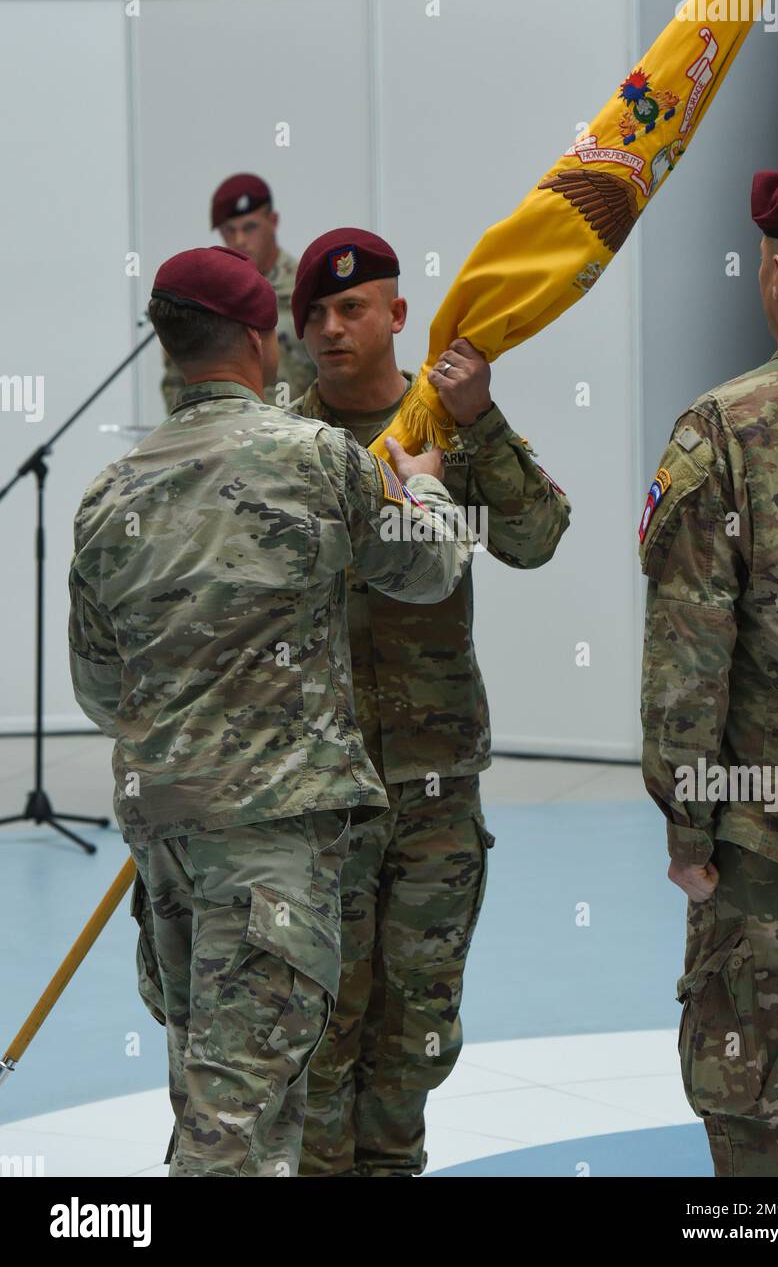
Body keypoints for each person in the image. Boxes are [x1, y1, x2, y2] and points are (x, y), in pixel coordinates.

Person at [69, 244, 474, 1178]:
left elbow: (99, 687)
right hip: (272, 845)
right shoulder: (313, 458)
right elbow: (426, 568)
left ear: (169, 348)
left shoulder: (110, 492)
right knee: (238, 1126)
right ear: (261, 341)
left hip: (164, 836)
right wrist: (423, 483)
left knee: (212, 1082)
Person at [288, 227, 572, 1177]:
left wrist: (481, 419)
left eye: (352, 306)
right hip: (321, 790)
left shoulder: (445, 425)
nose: (331, 328)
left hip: (434, 782)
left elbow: (535, 538)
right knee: (320, 1032)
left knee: (415, 1029)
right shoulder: (285, 448)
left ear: (397, 314)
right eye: (315, 314)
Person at [639, 170, 778, 1177]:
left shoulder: (723, 428)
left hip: (773, 855)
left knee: (776, 1138)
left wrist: (690, 829)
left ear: (774, 275)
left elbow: (690, 657)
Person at [160, 172, 316, 412]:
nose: (239, 240)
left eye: (249, 227)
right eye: (229, 231)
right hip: (222, 437)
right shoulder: (207, 297)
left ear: (273, 221)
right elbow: (176, 378)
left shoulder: (306, 287)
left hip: (299, 433)